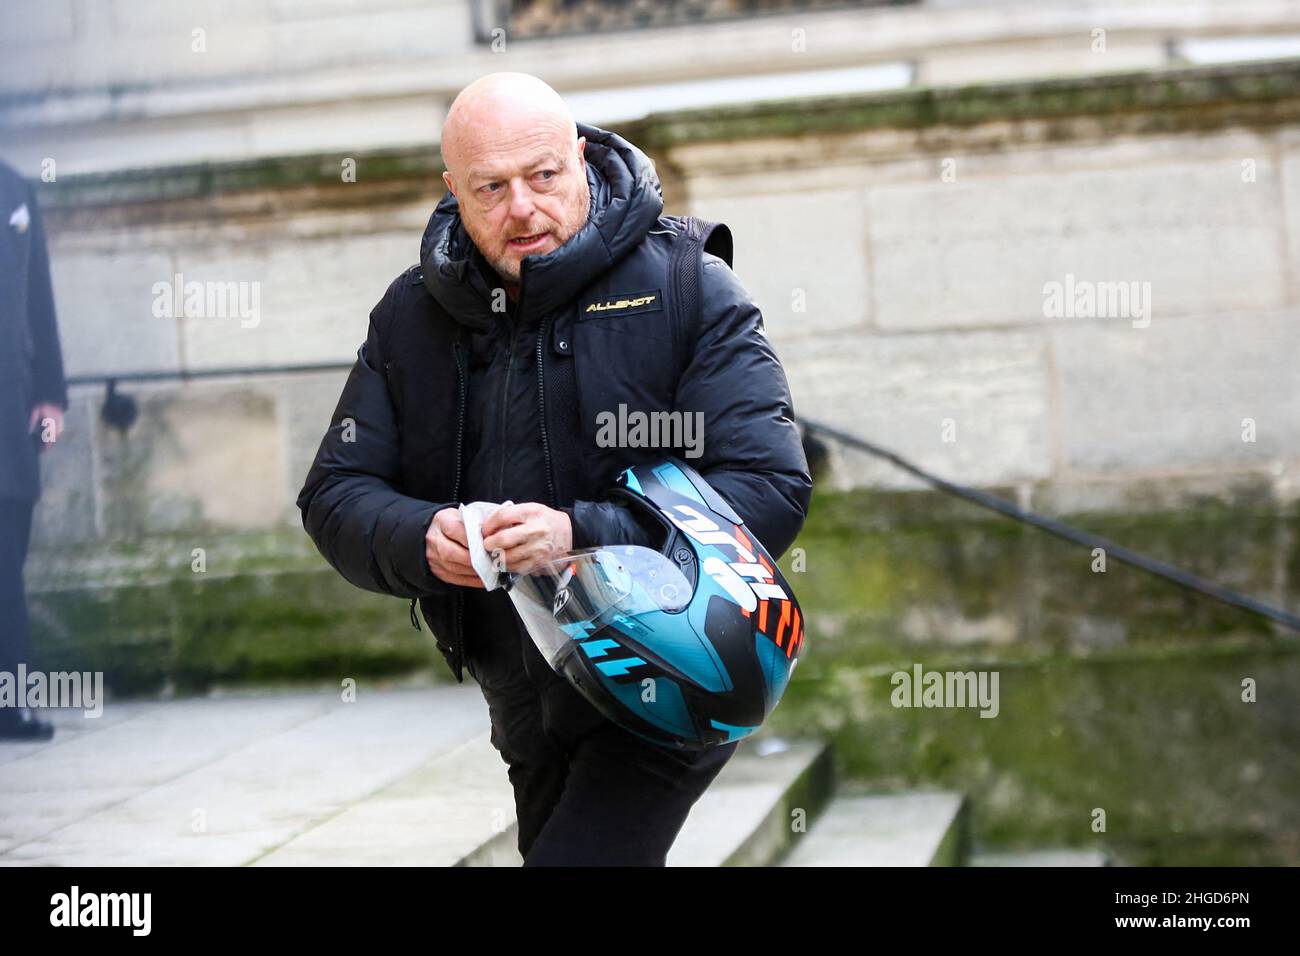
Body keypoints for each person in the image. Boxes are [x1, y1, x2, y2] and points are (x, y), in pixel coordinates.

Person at [297, 72, 811, 865]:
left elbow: (767, 483)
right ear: (452, 192)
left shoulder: (687, 283)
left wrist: (579, 533)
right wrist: (417, 536)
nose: (523, 209)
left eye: (542, 176)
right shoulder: (410, 315)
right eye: (491, 188)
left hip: (670, 672)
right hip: (520, 689)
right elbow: (334, 492)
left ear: (579, 157)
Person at [0, 160, 67, 741]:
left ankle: (11, 703)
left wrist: (51, 393)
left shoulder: (15, 188)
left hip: (9, 408)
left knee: (7, 560)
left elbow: (36, 297)